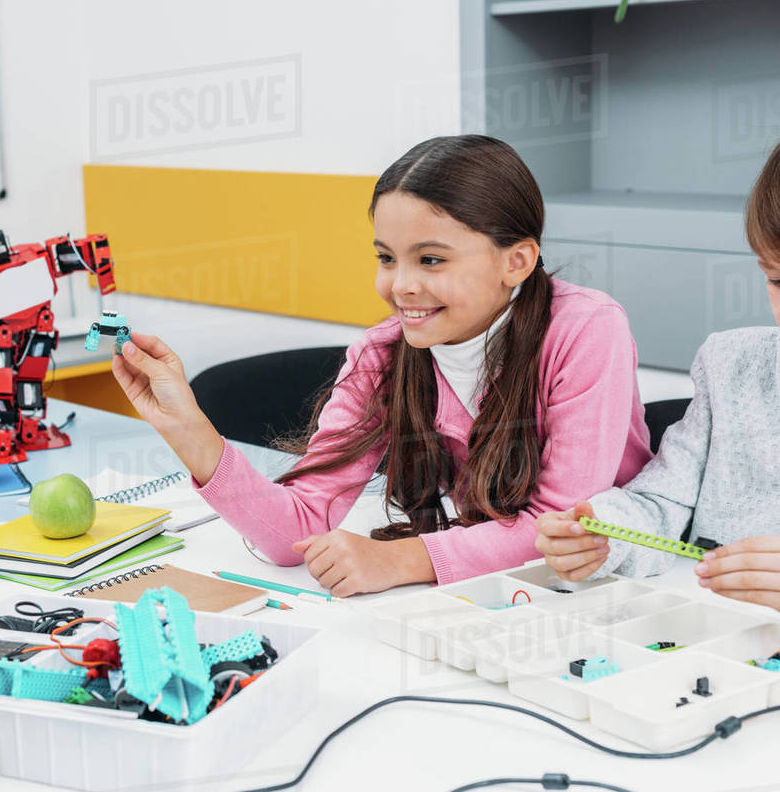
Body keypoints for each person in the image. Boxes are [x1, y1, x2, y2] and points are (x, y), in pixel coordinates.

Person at [111, 135, 652, 595]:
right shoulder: (383, 353)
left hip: (611, 588)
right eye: (386, 258)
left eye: (431, 259)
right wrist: (188, 428)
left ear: (517, 261)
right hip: (483, 594)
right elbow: (292, 534)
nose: (401, 285)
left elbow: (555, 531)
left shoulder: (586, 329)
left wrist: (397, 561)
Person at [536, 140, 780, 613]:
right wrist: (606, 535)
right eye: (778, 280)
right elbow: (660, 504)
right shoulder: (731, 364)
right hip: (714, 640)